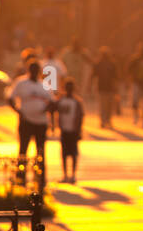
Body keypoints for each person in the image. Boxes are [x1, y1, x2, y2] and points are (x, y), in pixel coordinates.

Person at [8, 60, 53, 190]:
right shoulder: (21, 83)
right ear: (29, 70)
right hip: (26, 121)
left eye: (36, 71)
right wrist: (18, 111)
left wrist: (45, 110)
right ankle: (20, 177)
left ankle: (40, 178)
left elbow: (52, 102)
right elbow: (10, 98)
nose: (34, 73)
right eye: (32, 70)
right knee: (23, 150)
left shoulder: (44, 85)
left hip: (41, 123)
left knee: (40, 151)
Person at [57, 78, 85, 183]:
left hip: (73, 131)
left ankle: (73, 175)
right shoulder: (61, 100)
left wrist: (79, 130)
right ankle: (65, 175)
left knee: (73, 154)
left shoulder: (77, 102)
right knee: (64, 154)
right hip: (64, 130)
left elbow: (81, 116)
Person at [90, 47, 120, 129]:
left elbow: (116, 76)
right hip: (102, 88)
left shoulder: (111, 64)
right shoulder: (98, 64)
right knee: (105, 106)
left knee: (107, 106)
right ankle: (104, 121)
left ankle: (106, 120)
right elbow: (93, 75)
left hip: (108, 88)